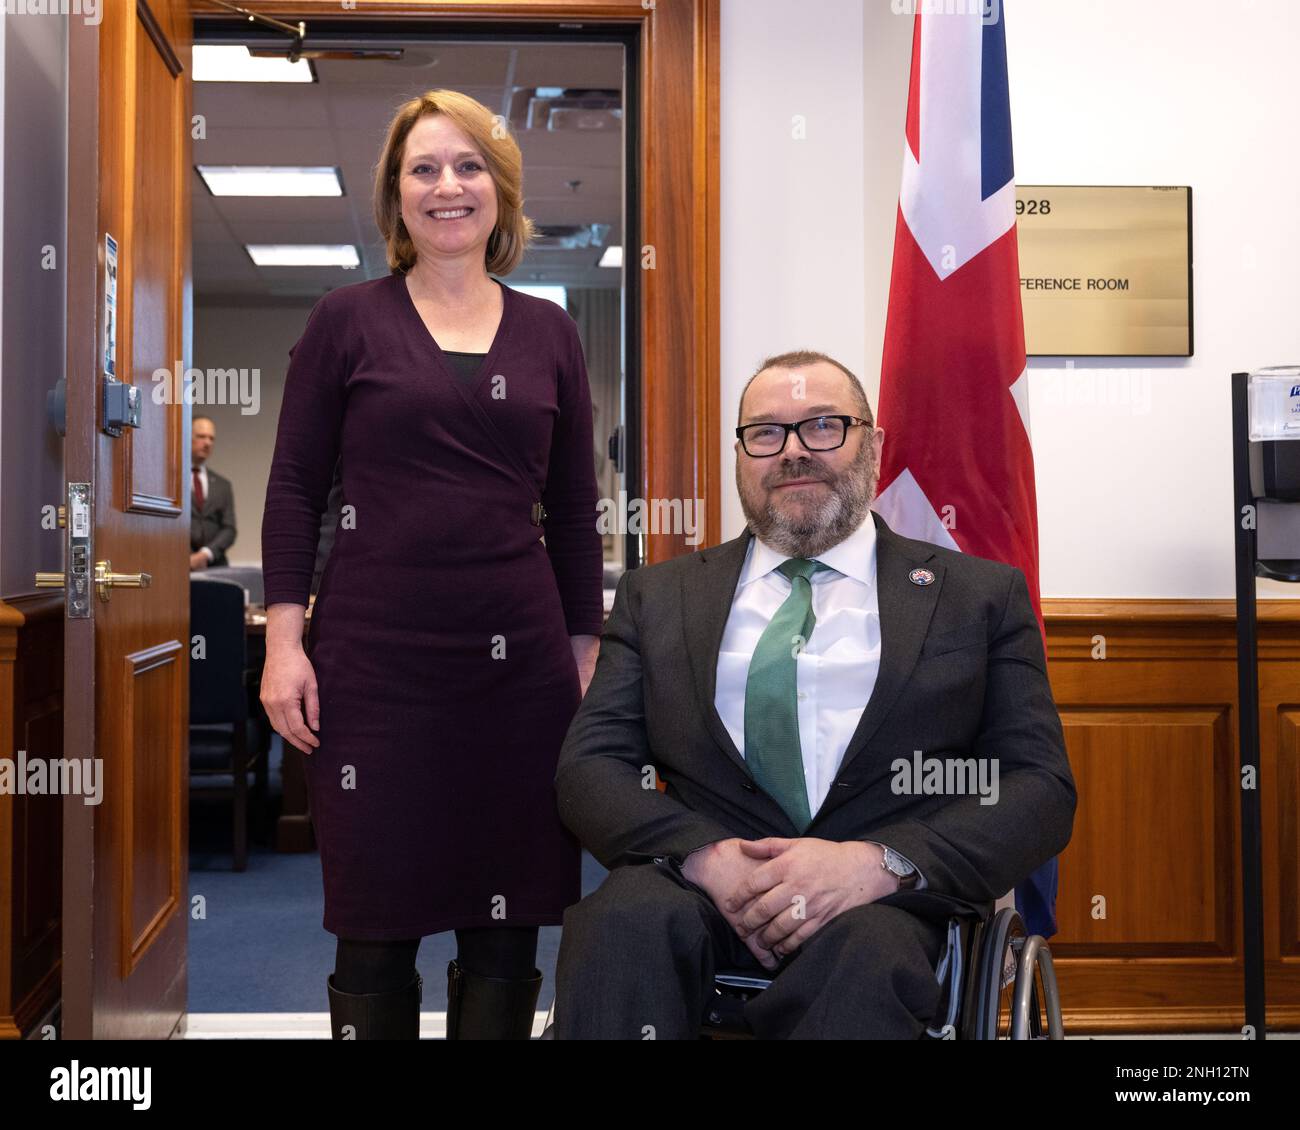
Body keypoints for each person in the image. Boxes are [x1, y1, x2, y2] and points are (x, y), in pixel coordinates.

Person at [552, 350, 1076, 1039]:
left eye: (824, 426)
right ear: (741, 456)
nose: (794, 452)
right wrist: (709, 860)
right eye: (766, 433)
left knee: (870, 958)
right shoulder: (660, 597)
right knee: (618, 923)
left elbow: (1038, 786)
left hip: (888, 906)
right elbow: (590, 770)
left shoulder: (979, 597)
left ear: (875, 445)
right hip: (700, 887)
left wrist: (881, 865)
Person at [259, 89, 604, 1040]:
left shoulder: (552, 334)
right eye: (423, 169)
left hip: (521, 671)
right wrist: (284, 643)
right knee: (376, 920)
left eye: (467, 167)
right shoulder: (345, 321)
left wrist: (583, 656)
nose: (447, 186)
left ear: (500, 192)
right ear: (395, 195)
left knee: (508, 925)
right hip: (375, 665)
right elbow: (293, 492)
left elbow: (576, 513)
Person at [191, 415, 236, 568]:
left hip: (216, 565)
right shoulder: (170, 482)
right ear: (186, 437)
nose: (207, 443)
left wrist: (206, 554)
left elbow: (229, 528)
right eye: (201, 437)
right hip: (177, 567)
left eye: (211, 438)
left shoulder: (223, 485)